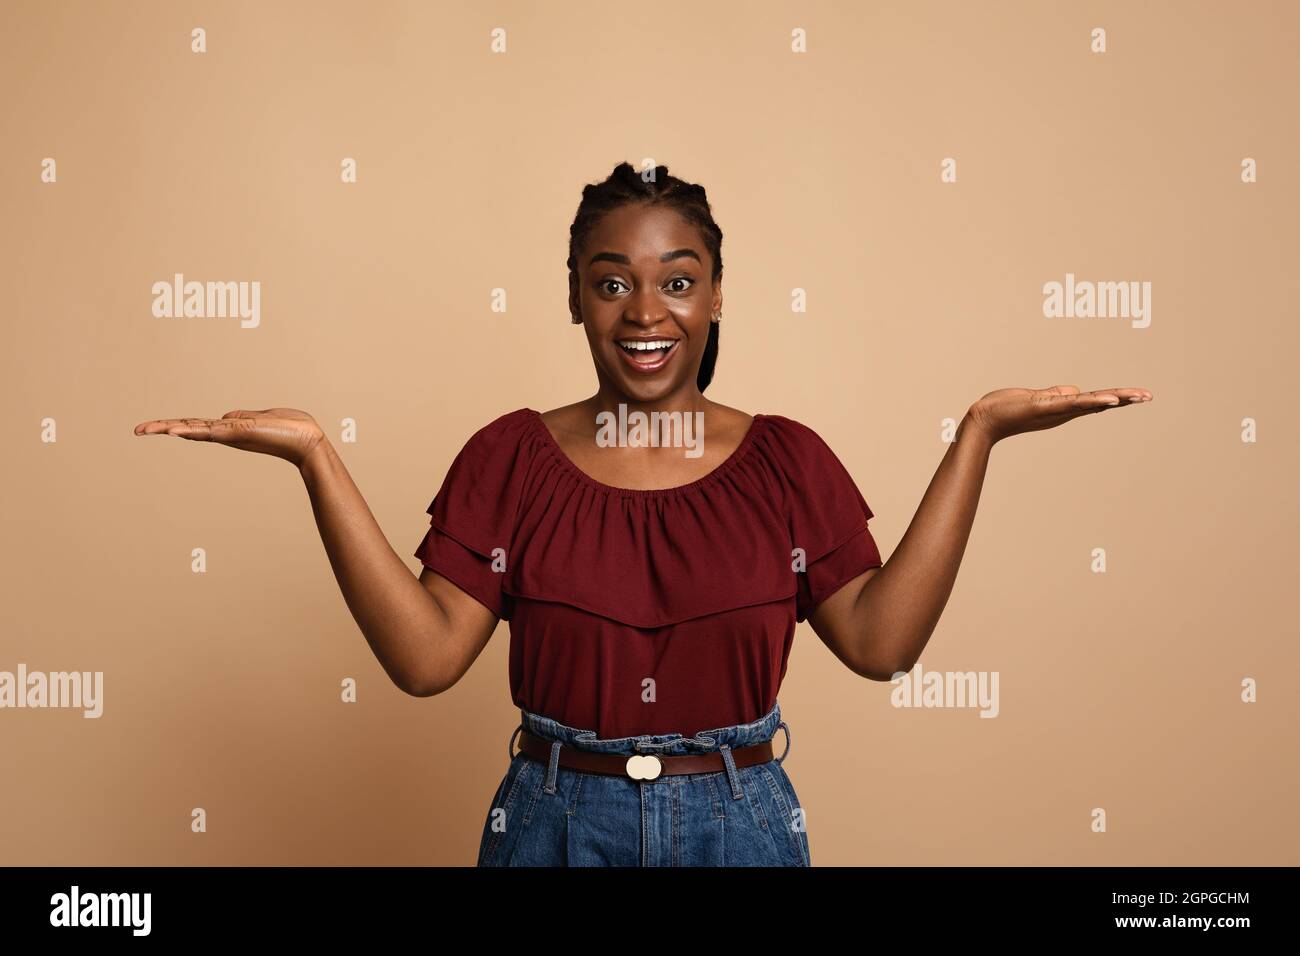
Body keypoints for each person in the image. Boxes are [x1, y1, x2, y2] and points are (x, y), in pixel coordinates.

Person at [133, 161, 1152, 866]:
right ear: (574, 296)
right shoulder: (509, 457)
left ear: (715, 297)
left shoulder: (786, 461)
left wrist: (976, 433)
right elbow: (426, 659)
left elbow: (882, 644)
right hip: (553, 817)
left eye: (677, 280)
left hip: (739, 820)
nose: (645, 311)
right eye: (610, 280)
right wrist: (316, 454)